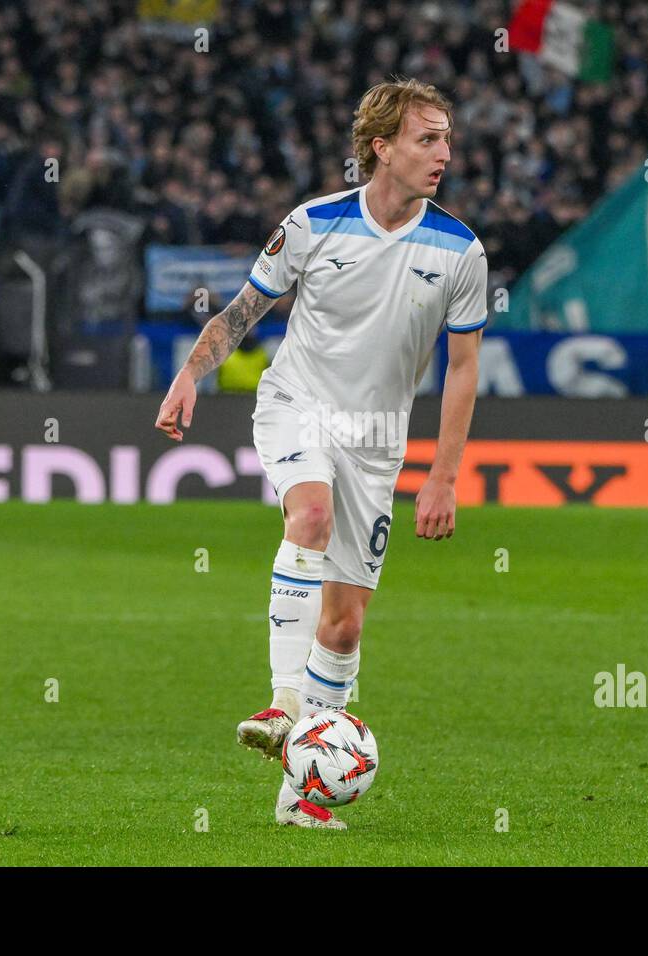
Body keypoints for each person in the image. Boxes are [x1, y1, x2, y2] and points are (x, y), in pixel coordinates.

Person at [154, 79, 486, 830]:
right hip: (299, 404)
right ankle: (284, 704)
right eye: (427, 139)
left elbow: (463, 368)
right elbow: (243, 310)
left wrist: (443, 477)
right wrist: (188, 375)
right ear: (383, 147)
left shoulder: (462, 250)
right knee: (308, 514)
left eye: (446, 139)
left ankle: (301, 797)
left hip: (378, 441)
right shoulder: (313, 224)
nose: (443, 153)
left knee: (343, 628)